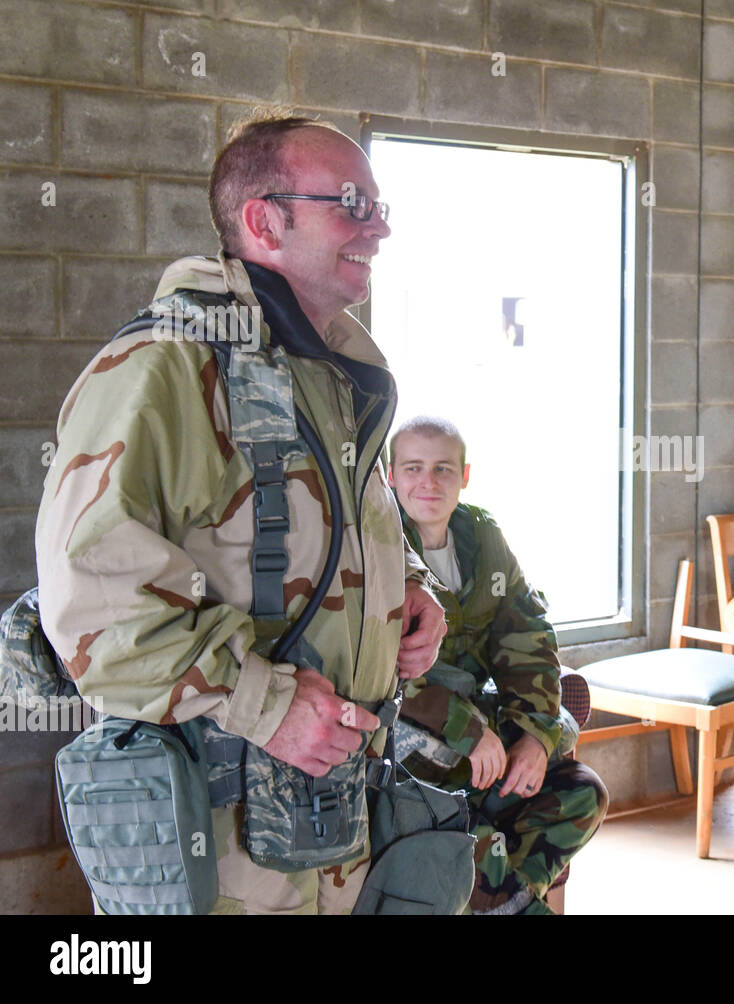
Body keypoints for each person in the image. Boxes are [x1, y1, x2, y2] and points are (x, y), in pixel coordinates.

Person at [35, 112, 447, 914]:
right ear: (264, 220)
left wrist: (407, 595)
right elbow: (92, 606)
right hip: (221, 842)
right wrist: (265, 704)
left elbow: (331, 527)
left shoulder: (333, 374)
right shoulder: (162, 368)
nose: (381, 225)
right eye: (353, 202)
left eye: (380, 205)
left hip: (330, 821)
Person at [388, 416, 608, 915]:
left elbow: (527, 633)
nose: (429, 481)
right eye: (414, 468)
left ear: (466, 475)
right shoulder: (375, 547)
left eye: (444, 468)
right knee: (466, 827)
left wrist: (533, 734)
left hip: (483, 723)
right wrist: (467, 730)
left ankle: (502, 899)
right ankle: (520, 903)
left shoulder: (483, 537)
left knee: (583, 793)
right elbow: (381, 671)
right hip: (417, 731)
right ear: (389, 477)